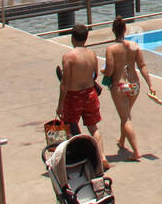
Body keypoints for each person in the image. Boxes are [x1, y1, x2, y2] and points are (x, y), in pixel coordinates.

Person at [57, 23, 109, 172]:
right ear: (86, 38)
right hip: (90, 93)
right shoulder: (92, 55)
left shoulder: (68, 57)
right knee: (94, 128)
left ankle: (79, 157)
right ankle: (102, 157)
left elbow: (64, 83)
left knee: (70, 126)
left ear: (72, 39)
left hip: (74, 96)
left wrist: (60, 104)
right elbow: (95, 75)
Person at [102, 16, 156, 161]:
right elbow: (142, 66)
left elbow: (109, 70)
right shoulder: (134, 46)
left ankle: (136, 151)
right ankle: (121, 140)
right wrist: (150, 84)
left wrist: (102, 72)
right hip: (134, 85)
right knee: (126, 114)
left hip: (120, 86)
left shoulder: (111, 49)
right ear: (125, 30)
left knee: (125, 118)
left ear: (113, 30)